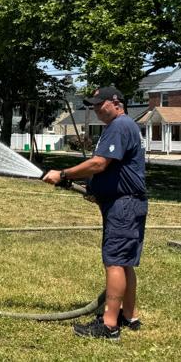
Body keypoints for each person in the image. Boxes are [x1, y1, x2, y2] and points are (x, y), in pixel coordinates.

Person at [43, 86, 147, 340]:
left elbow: (99, 163)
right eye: (92, 105)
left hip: (124, 205)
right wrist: (94, 189)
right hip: (125, 202)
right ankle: (128, 316)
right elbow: (111, 170)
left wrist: (64, 173)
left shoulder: (120, 126)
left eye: (99, 104)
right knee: (123, 262)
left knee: (114, 261)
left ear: (116, 103)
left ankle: (109, 326)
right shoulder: (121, 126)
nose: (95, 109)